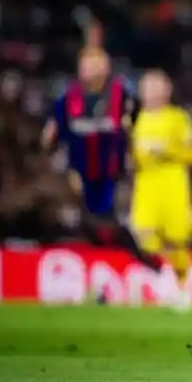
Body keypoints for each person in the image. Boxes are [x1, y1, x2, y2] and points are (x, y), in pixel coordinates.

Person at [42, 46, 157, 271]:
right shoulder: (68, 98)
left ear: (107, 66)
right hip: (78, 176)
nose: (93, 69)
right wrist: (52, 147)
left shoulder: (121, 94)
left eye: (98, 63)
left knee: (121, 223)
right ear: (80, 68)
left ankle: (141, 264)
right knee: (78, 223)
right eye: (88, 64)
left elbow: (137, 126)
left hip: (115, 176)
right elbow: (53, 133)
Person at [130, 69, 192, 311]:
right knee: (143, 236)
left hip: (173, 185)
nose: (151, 92)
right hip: (146, 187)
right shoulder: (134, 120)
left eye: (156, 86)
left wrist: (167, 151)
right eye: (147, 87)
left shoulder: (178, 118)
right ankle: (163, 279)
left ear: (167, 90)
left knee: (177, 241)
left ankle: (181, 290)